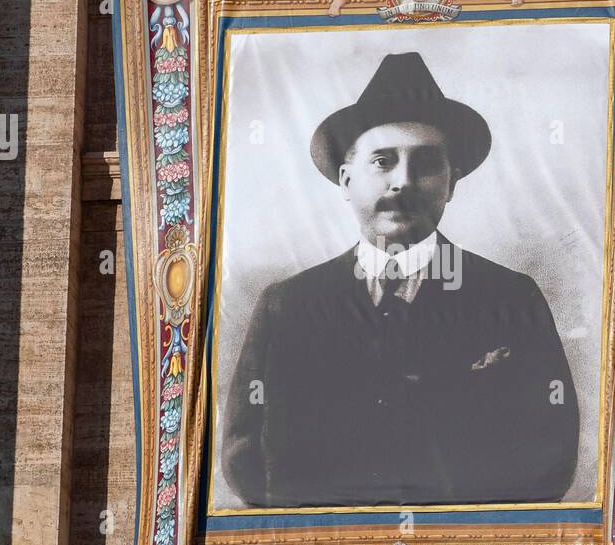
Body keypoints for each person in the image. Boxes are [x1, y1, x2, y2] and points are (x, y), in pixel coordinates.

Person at [222, 51, 578, 508]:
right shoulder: (287, 305)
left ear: (451, 184)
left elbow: (550, 453)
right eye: (382, 161)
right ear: (346, 180)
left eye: (427, 164)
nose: (403, 182)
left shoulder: (510, 298)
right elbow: (243, 455)